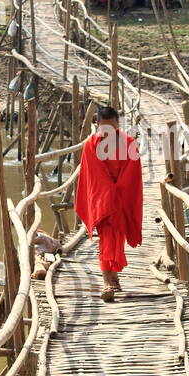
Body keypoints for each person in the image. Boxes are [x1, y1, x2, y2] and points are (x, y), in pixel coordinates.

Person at [75, 105, 143, 302]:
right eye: (104, 129)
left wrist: (117, 192)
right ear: (97, 125)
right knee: (106, 237)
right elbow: (94, 173)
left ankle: (114, 277)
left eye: (112, 129)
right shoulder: (91, 144)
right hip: (102, 198)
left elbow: (132, 173)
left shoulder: (129, 143)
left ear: (118, 125)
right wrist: (108, 194)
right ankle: (107, 281)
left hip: (122, 197)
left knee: (118, 237)